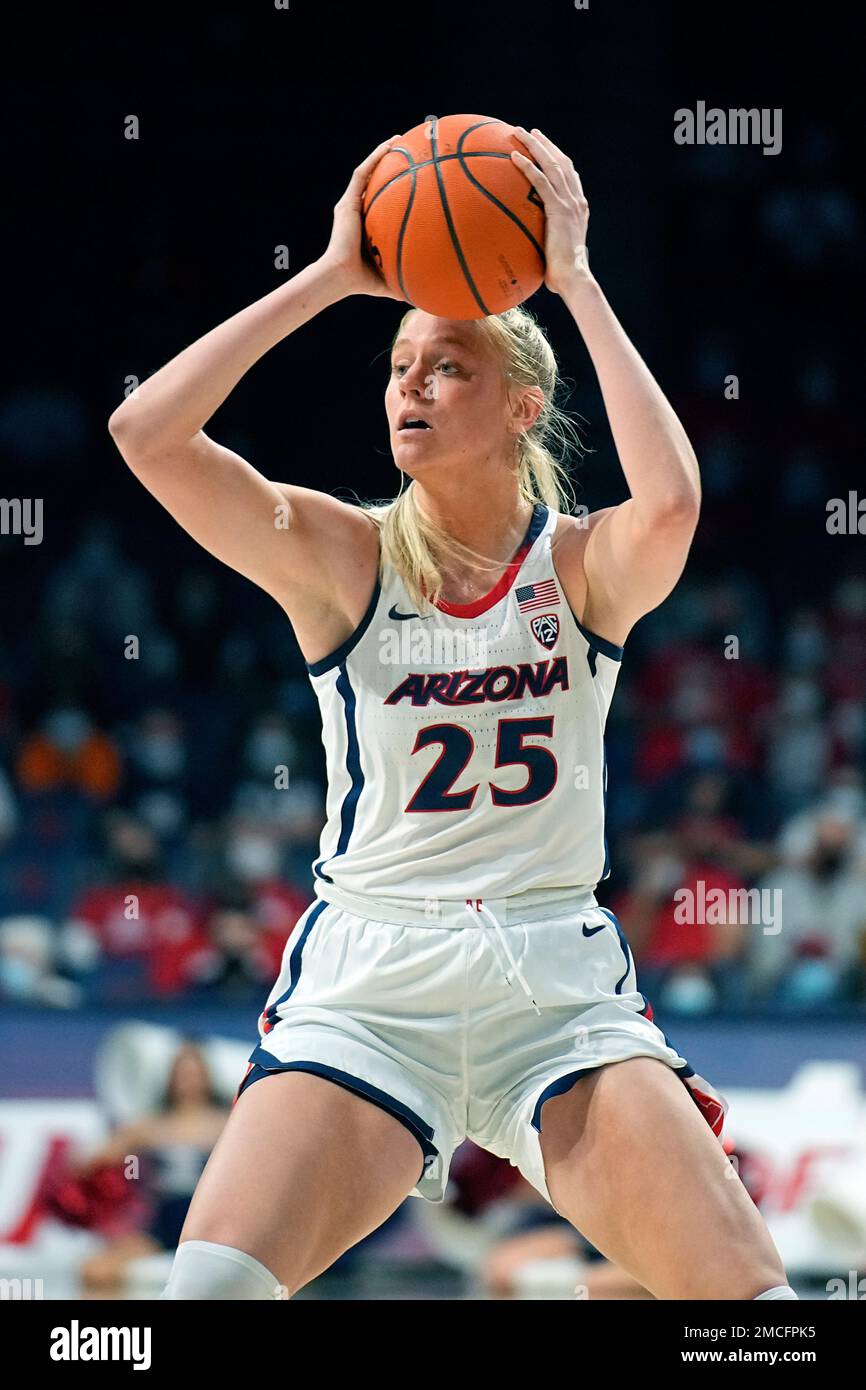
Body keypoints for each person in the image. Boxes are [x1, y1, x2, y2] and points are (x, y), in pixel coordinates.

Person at [109, 127, 796, 1301]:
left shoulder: (577, 567)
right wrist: (331, 274)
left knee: (758, 1319)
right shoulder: (339, 554)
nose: (408, 387)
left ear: (522, 402)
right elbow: (147, 434)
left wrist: (573, 276)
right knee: (199, 1301)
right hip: (372, 976)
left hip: (551, 978)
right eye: (396, 364)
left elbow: (673, 499)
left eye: (446, 366)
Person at [73, 1042, 227, 1292]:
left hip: (211, 1223)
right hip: (162, 1221)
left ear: (207, 1076)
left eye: (193, 1072)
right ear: (170, 1078)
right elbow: (88, 1160)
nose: (188, 1080)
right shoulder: (152, 1126)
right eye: (181, 1073)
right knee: (95, 1270)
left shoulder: (226, 1123)